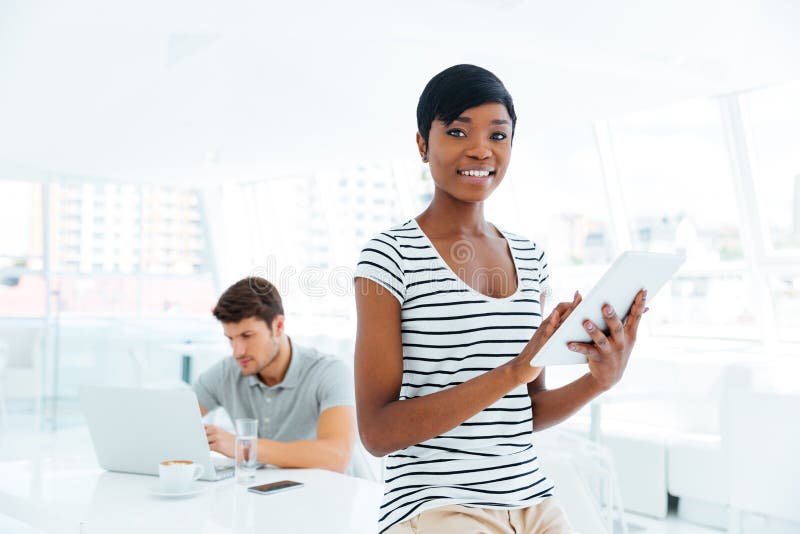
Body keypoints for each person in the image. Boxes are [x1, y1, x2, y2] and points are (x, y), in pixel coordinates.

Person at [354, 64, 648, 533]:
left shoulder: (531, 259)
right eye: (456, 131)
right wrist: (514, 369)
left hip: (532, 501)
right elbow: (376, 432)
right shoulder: (389, 257)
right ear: (422, 145)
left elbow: (523, 411)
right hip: (434, 504)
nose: (481, 149)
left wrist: (600, 379)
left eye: (499, 134)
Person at [194, 277, 356, 473]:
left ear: (278, 326)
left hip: (324, 496)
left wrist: (245, 446)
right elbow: (175, 419)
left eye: (247, 336)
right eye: (230, 338)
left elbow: (336, 456)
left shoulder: (329, 373)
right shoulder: (226, 372)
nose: (237, 351)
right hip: (262, 495)